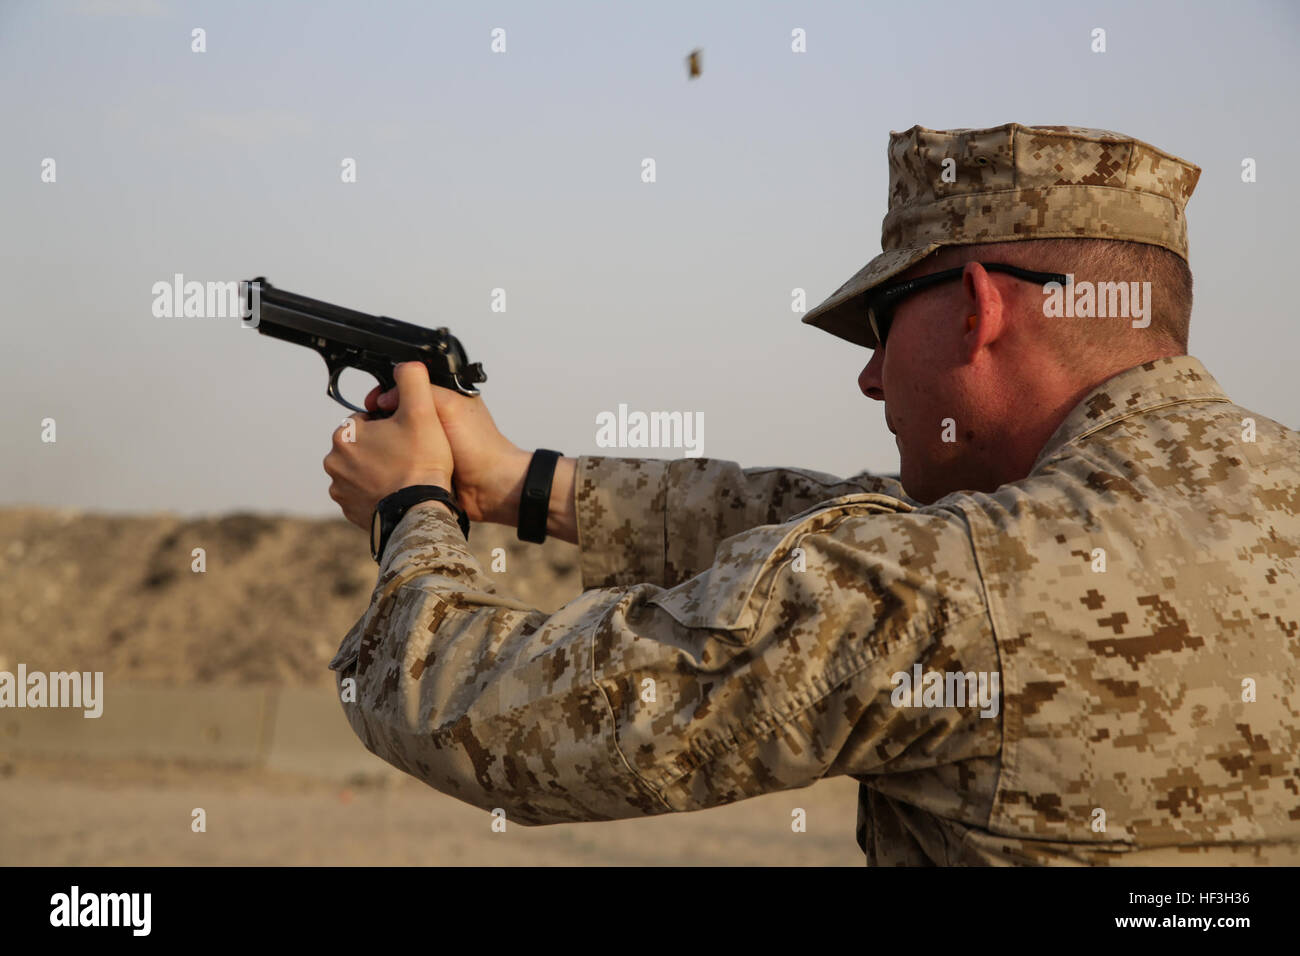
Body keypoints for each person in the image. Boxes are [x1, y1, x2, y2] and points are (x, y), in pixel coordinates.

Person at [322, 123, 1300, 864]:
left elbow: (472, 711)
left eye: (880, 324)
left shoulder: (956, 586)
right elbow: (843, 516)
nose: (872, 376)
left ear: (977, 308)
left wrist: (412, 511)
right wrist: (526, 485)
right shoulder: (1255, 489)